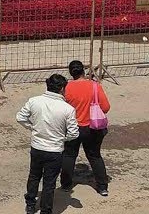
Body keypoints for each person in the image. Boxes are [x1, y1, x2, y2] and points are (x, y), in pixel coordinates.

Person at [16, 73, 79, 214]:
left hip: (37, 147)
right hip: (55, 150)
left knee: (34, 176)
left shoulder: (34, 101)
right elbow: (74, 133)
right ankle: (45, 210)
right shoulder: (67, 109)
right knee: (49, 182)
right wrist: (62, 138)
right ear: (62, 89)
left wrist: (32, 127)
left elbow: (20, 117)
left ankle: (30, 204)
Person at [59, 60, 110, 197]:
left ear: (71, 73)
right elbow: (105, 107)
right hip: (92, 127)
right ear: (83, 71)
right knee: (95, 156)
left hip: (73, 127)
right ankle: (102, 187)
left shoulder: (66, 88)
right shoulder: (94, 86)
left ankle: (66, 184)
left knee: (69, 155)